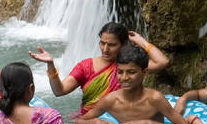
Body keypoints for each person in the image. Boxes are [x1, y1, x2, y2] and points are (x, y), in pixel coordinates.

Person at [29, 24, 166, 117]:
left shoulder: (131, 66)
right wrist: (51, 65)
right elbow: (59, 91)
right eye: (102, 43)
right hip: (89, 121)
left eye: (111, 45)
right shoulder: (86, 66)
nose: (105, 49)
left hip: (121, 120)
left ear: (123, 45)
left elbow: (162, 62)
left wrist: (141, 41)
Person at [75, 44, 195, 124]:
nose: (124, 77)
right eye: (120, 72)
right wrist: (94, 121)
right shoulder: (111, 101)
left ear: (144, 73)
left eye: (131, 72)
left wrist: (148, 123)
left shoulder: (154, 99)